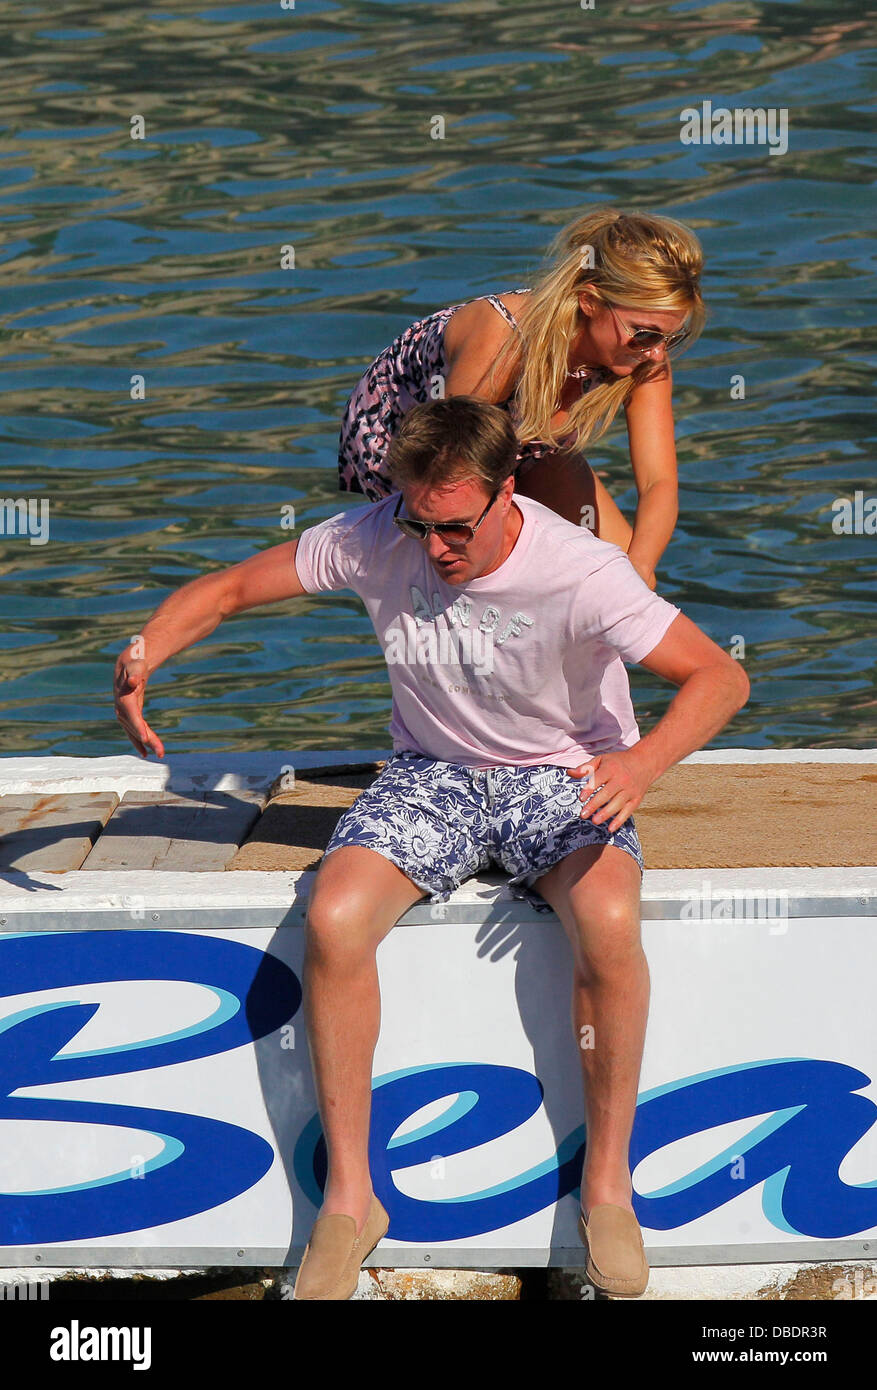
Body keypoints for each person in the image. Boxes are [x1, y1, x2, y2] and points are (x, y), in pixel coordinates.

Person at [113, 397, 748, 1301]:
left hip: (560, 776)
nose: (434, 547)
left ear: (504, 494)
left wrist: (640, 765)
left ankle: (607, 1186)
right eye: (419, 524)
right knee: (333, 918)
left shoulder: (584, 570)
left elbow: (719, 676)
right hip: (431, 774)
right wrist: (146, 650)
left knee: (606, 916)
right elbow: (226, 592)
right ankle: (348, 1201)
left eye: (454, 527)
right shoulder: (379, 535)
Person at [338, 207, 705, 590]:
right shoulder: (506, 339)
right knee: (497, 574)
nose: (658, 353)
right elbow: (448, 463)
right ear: (589, 301)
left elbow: (658, 482)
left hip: (528, 445)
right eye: (645, 334)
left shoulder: (645, 358)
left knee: (620, 581)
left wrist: (640, 571)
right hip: (417, 443)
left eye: (670, 337)